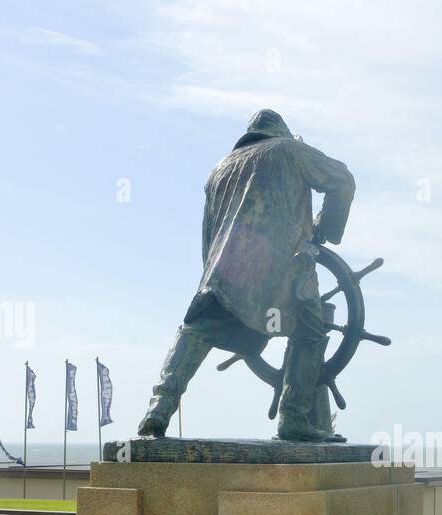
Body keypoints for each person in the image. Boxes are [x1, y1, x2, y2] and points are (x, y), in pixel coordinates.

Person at [137, 109, 355, 442]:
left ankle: (156, 412)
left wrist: (213, 283)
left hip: (225, 273)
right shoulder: (289, 150)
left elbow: (209, 239)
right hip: (285, 267)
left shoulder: (219, 170)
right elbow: (343, 179)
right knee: (309, 331)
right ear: (280, 132)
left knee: (196, 331)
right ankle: (293, 418)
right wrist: (325, 231)